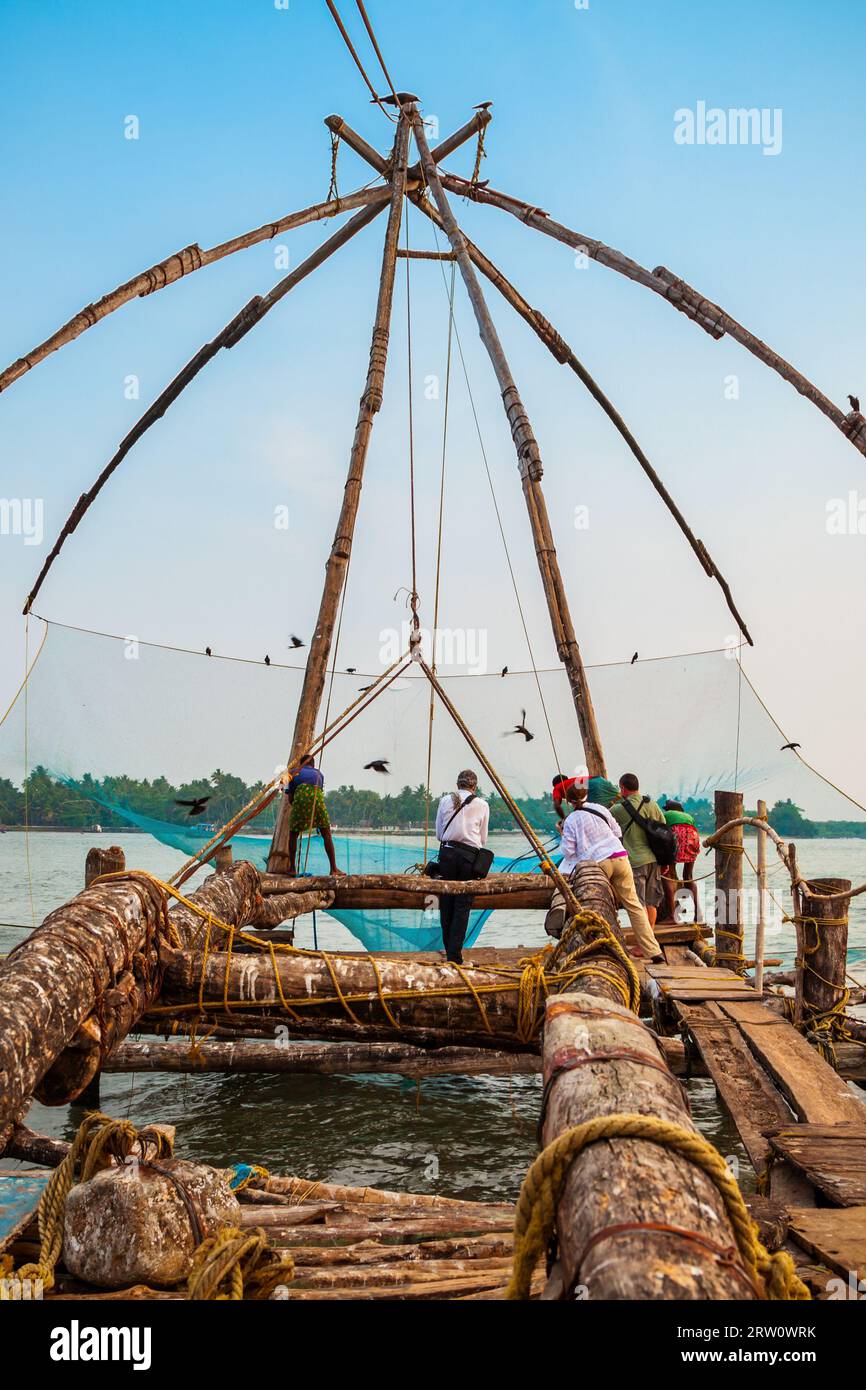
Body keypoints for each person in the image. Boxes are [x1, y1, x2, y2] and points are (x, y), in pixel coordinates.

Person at [544, 781, 663, 960]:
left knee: (595, 904)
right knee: (634, 905)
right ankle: (654, 951)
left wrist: (563, 831)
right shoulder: (601, 809)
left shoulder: (571, 820)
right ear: (586, 795)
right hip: (620, 857)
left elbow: (568, 851)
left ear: (569, 802)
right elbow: (617, 832)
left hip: (599, 863)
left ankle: (600, 948)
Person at [434, 769, 490, 965]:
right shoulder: (482, 804)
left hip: (447, 855)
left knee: (446, 903)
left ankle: (451, 955)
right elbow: (482, 839)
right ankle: (454, 957)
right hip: (469, 857)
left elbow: (439, 834)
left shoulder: (444, 801)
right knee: (462, 906)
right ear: (474, 787)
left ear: (458, 785)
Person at [611, 773, 666, 929]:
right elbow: (663, 826)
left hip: (634, 861)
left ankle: (644, 944)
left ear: (622, 788)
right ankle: (651, 938)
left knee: (638, 904)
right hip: (653, 860)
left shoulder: (618, 809)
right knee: (651, 903)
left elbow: (604, 824)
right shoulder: (652, 805)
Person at [282, 756, 343, 877]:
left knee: (293, 834)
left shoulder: (291, 773)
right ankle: (334, 869)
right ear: (313, 765)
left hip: (300, 802)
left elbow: (290, 798)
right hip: (317, 803)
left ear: (301, 764)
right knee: (326, 834)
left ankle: (292, 868)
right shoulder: (319, 774)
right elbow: (318, 793)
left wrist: (298, 808)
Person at [661, 800, 702, 922]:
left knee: (668, 875)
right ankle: (697, 914)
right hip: (693, 836)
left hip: (676, 835)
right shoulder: (688, 816)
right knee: (688, 876)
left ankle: (672, 916)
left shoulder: (666, 815)